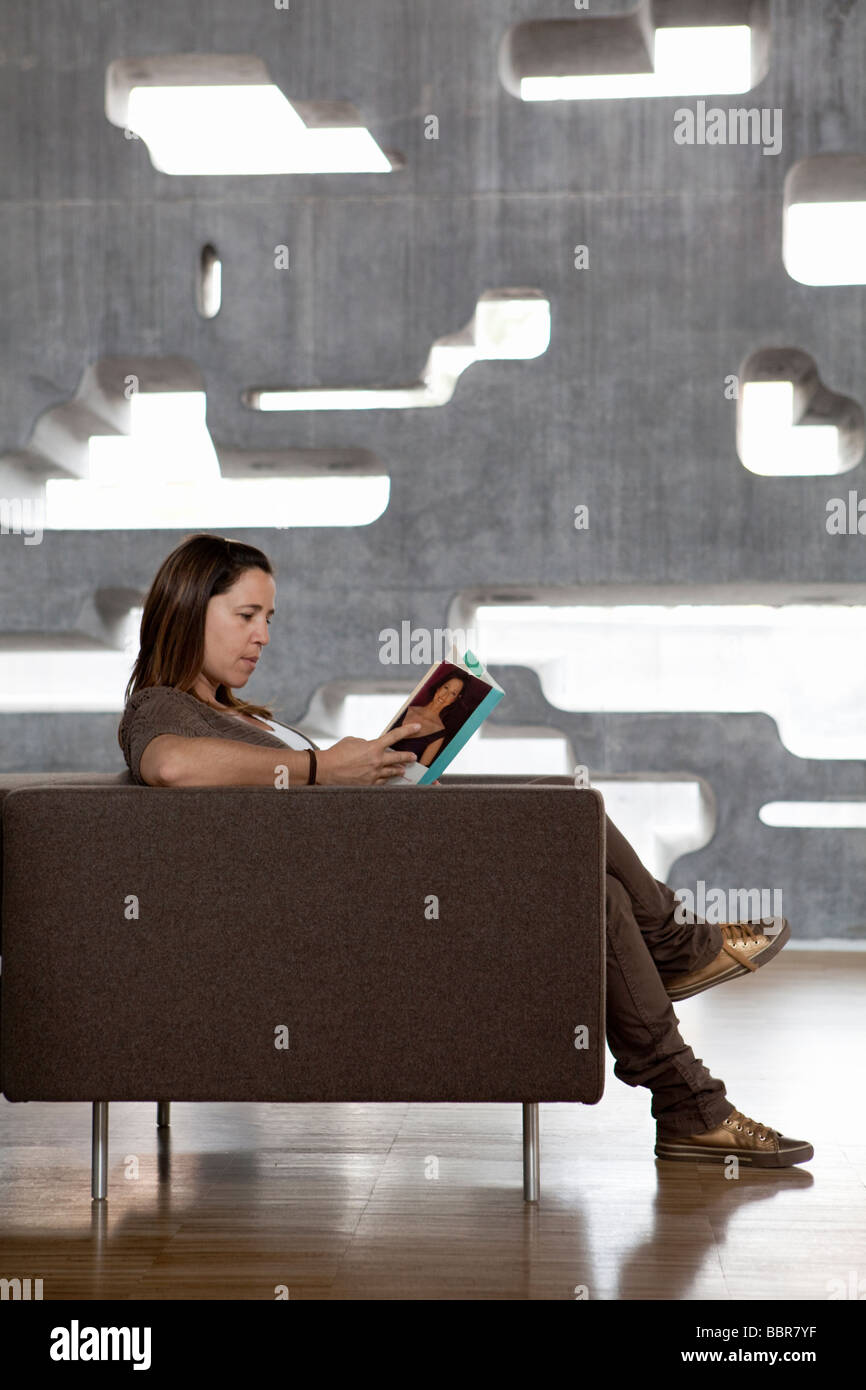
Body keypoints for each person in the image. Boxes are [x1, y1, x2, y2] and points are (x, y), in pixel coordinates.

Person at [118, 533, 814, 1169]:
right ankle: (677, 962)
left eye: (270, 618)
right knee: (561, 811)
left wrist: (393, 760)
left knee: (579, 854)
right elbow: (170, 766)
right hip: (338, 922)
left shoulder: (240, 714)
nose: (263, 635)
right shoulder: (163, 708)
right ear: (188, 609)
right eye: (247, 616)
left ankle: (690, 1101)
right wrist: (321, 769)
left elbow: (292, 815)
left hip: (369, 881)